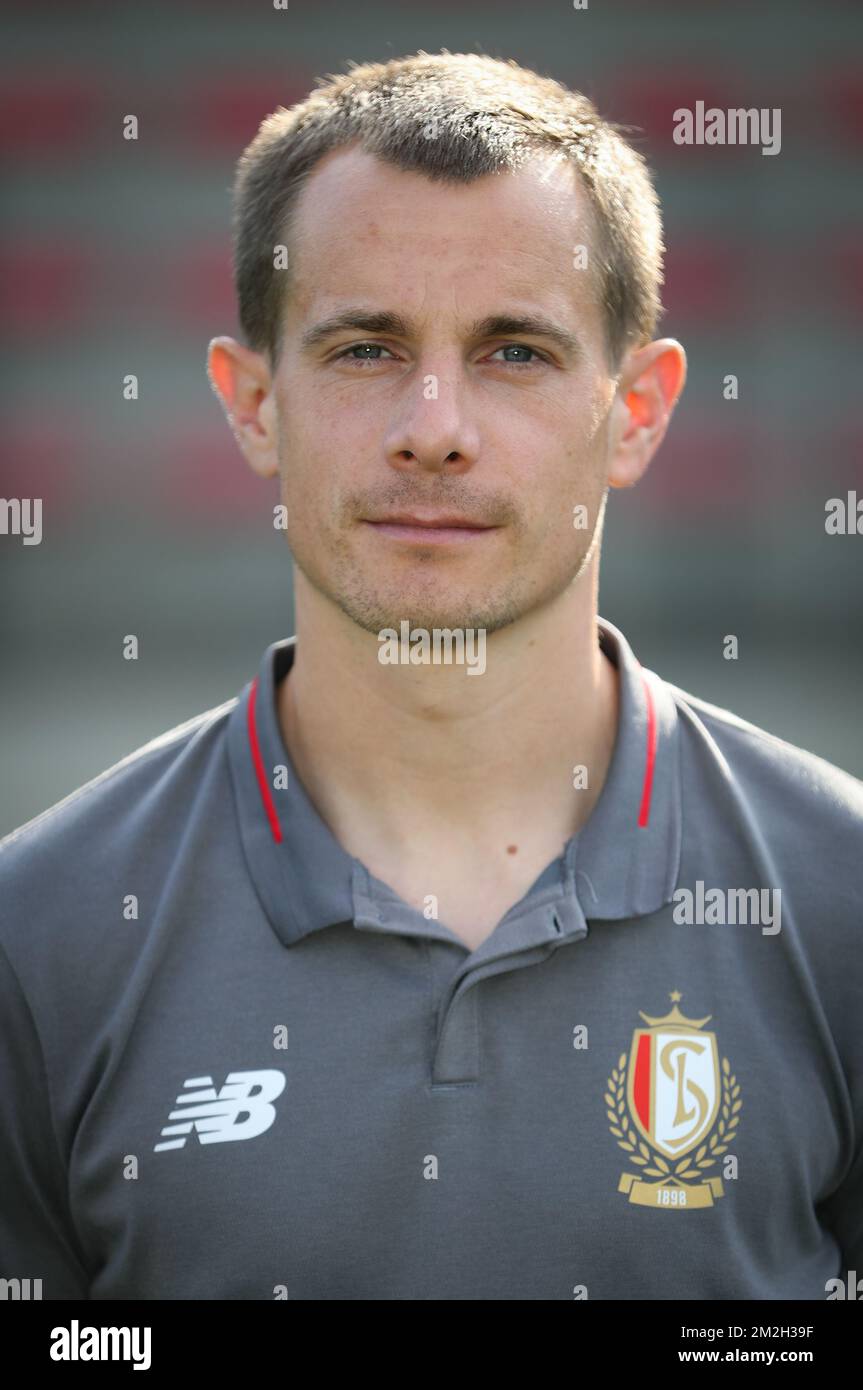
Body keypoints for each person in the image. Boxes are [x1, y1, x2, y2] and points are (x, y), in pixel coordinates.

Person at [1, 51, 860, 1302]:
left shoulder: (840, 904)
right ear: (251, 406)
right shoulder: (39, 936)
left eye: (513, 351)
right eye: (362, 349)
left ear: (634, 411)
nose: (433, 422)